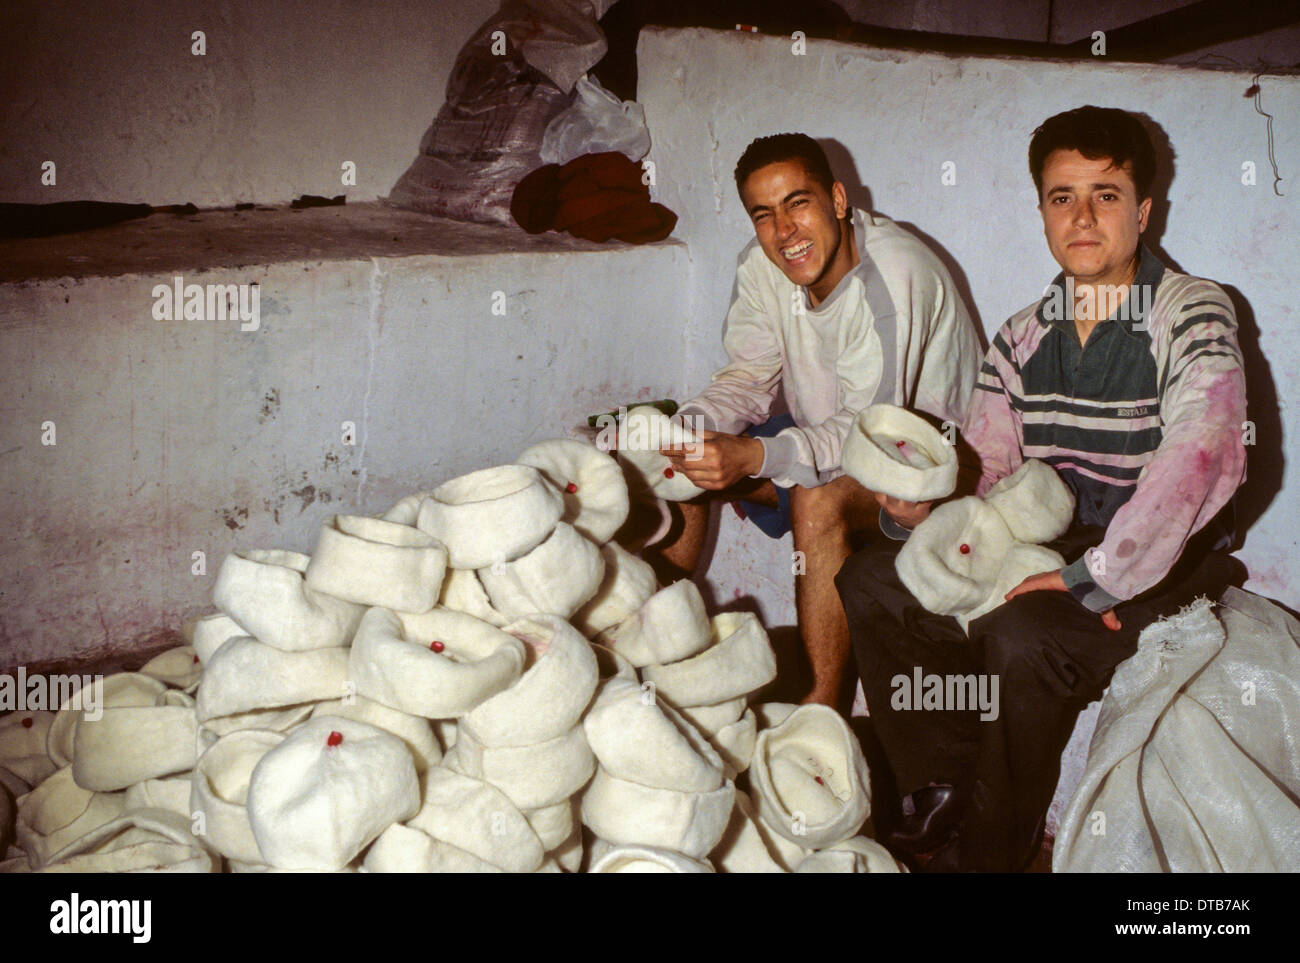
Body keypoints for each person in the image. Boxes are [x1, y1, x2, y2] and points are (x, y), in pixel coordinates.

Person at [835, 105, 1248, 871]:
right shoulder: (1022, 335)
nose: (1082, 217)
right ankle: (942, 789)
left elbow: (1204, 454)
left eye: (1106, 194)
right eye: (1063, 197)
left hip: (1162, 562)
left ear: (1143, 209)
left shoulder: (1191, 311)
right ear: (1042, 211)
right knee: (873, 577)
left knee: (1020, 637)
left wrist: (1095, 579)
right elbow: (988, 476)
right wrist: (917, 520)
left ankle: (995, 849)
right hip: (1044, 548)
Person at [645, 132, 982, 710]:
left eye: (798, 203)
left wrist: (757, 457)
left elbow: (869, 434)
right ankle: (658, 663)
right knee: (686, 459)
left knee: (816, 502)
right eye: (765, 214)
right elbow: (750, 376)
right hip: (836, 443)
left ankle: (818, 720)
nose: (785, 232)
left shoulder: (894, 277)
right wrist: (688, 430)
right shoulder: (762, 265)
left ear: (838, 200)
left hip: (928, 475)